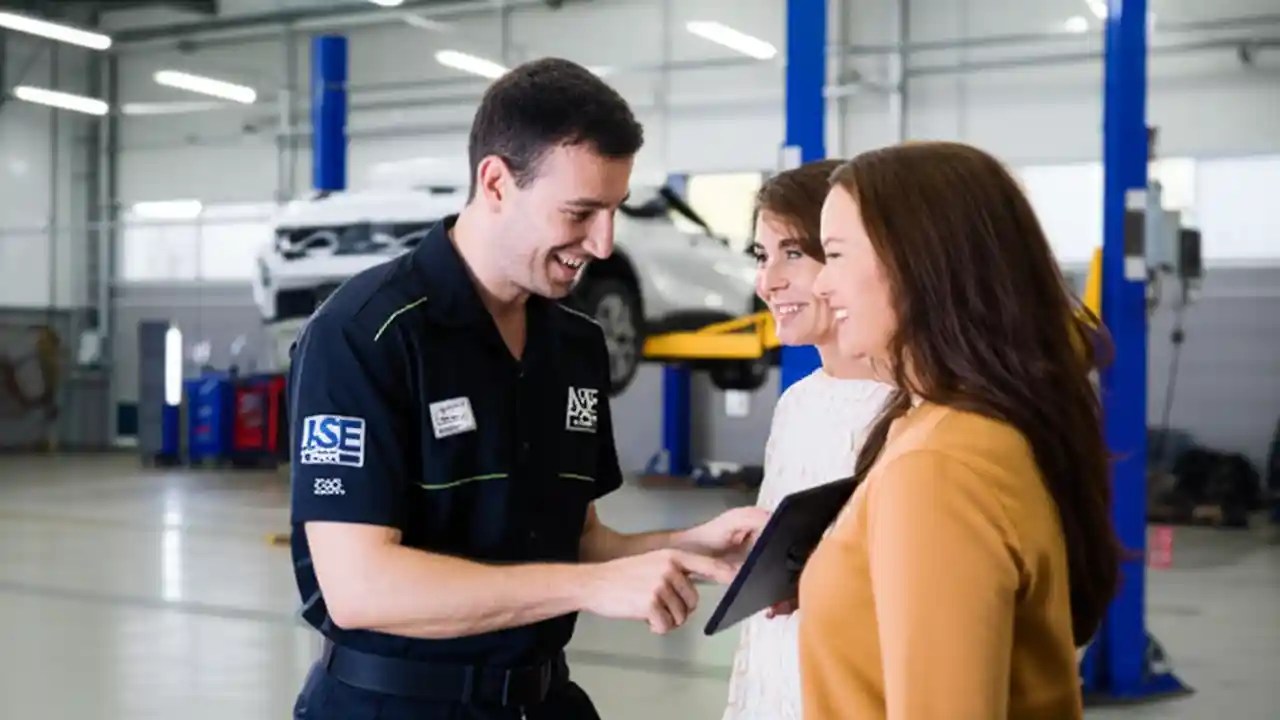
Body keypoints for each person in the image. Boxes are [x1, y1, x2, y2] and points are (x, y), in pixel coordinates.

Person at [286, 57, 769, 720]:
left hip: (542, 701)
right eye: (580, 212)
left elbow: (575, 540)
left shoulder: (573, 344)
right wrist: (592, 586)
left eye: (614, 212)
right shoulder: (366, 334)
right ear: (495, 183)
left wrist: (684, 544)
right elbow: (361, 587)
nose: (602, 245)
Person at [797, 141, 1122, 719]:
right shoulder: (964, 424)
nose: (821, 285)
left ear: (921, 263)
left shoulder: (938, 469)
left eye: (838, 255)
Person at [721, 160, 893, 720]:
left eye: (794, 253)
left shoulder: (911, 412)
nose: (768, 280)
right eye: (761, 256)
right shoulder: (797, 405)